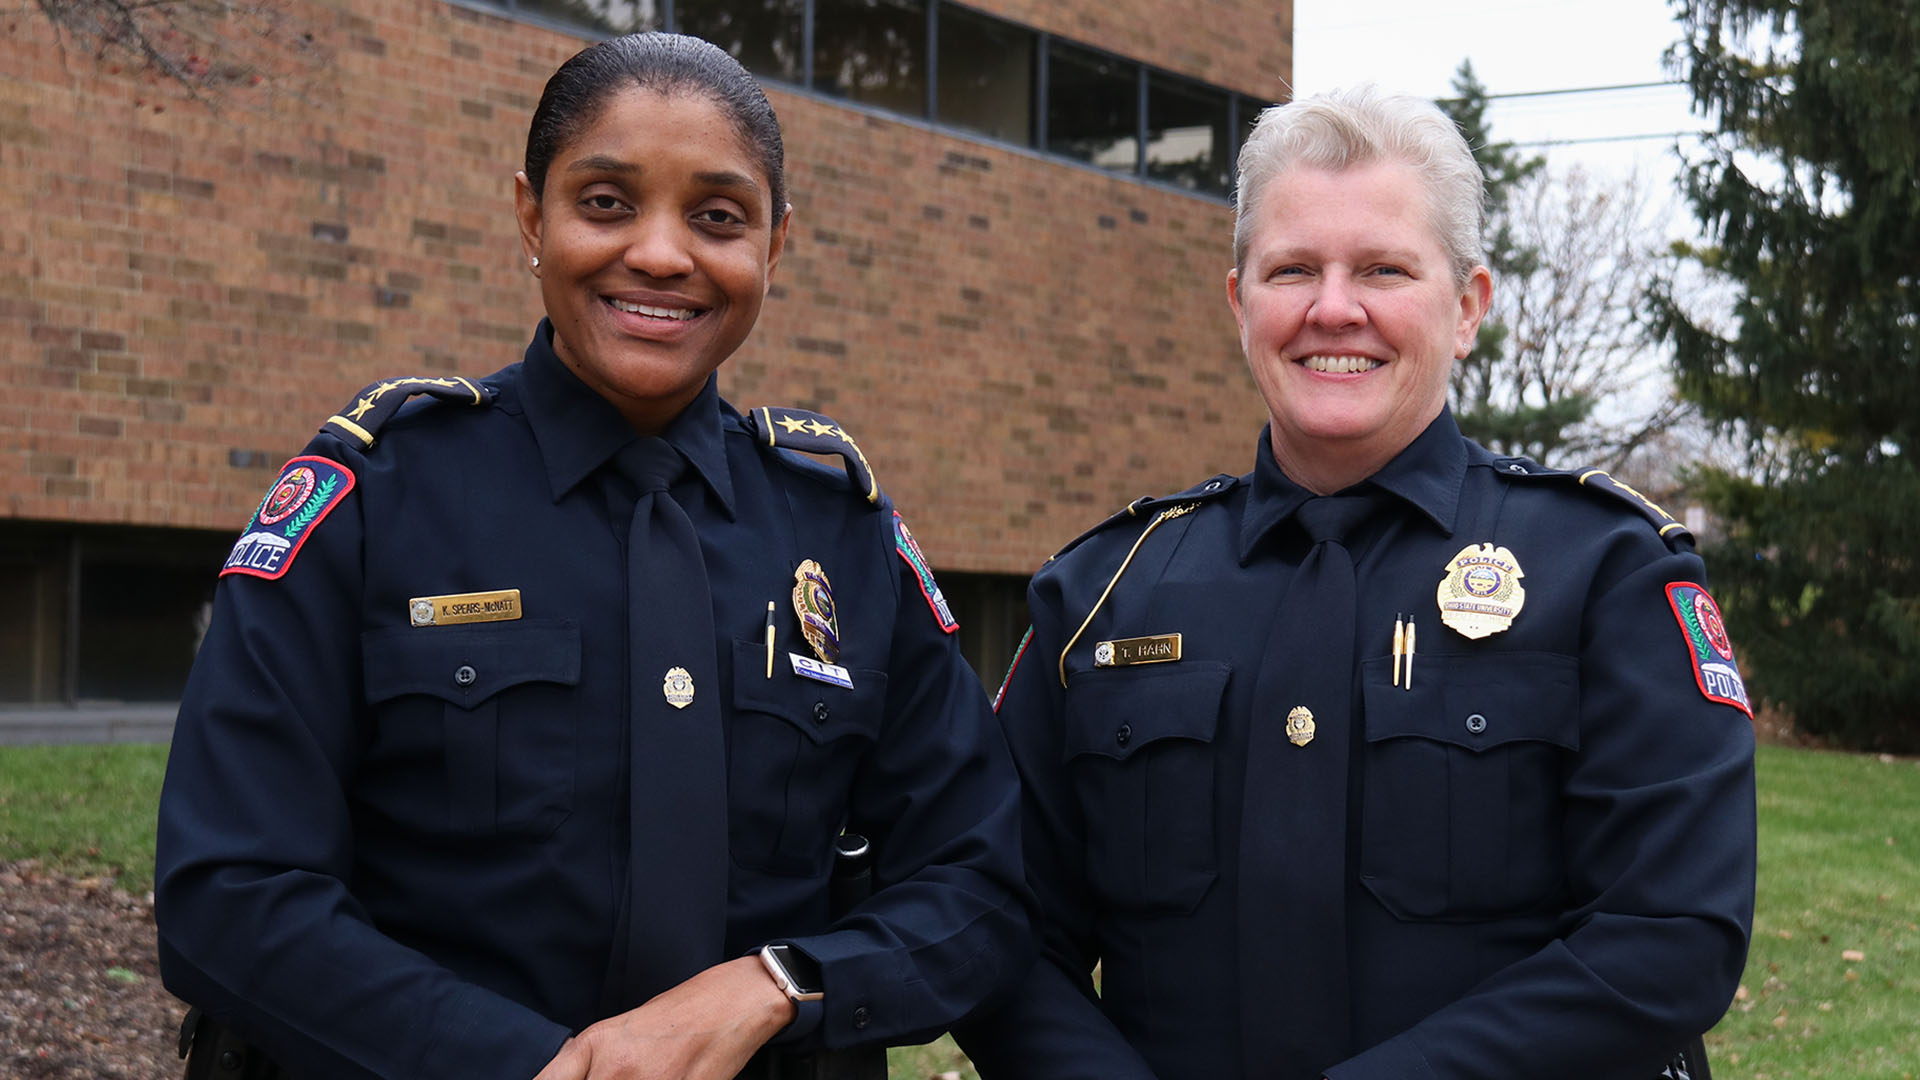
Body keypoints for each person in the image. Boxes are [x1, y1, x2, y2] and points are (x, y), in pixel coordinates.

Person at [155, 32, 1030, 1080]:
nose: (661, 254)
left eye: (719, 217)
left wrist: (781, 985)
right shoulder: (376, 501)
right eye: (606, 203)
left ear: (776, 245)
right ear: (533, 217)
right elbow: (230, 893)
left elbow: (979, 884)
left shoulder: (841, 532)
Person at [954, 85, 1756, 1080]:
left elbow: (1670, 936)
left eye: (1384, 269)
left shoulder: (1608, 574)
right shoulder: (1101, 595)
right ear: (1240, 301)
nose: (1334, 309)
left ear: (1467, 308)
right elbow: (998, 926)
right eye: (1293, 269)